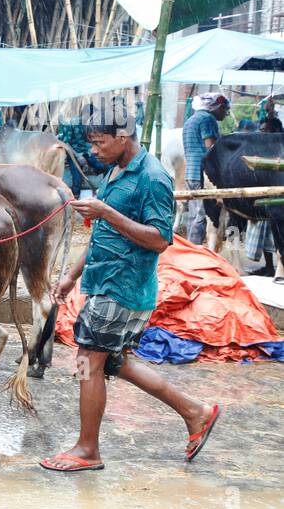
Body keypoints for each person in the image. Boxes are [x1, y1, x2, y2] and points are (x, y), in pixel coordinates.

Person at [40, 113, 219, 473]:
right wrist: (72, 276)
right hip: (104, 281)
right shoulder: (115, 171)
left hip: (124, 286)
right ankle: (196, 412)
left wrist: (106, 212)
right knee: (115, 362)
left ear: (123, 137)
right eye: (91, 143)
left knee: (89, 361)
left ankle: (87, 450)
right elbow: (102, 234)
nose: (93, 151)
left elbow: (159, 239)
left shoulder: (152, 177)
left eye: (99, 143)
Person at [181, 92, 228, 245]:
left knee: (193, 214)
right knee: (201, 216)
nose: (226, 113)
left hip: (190, 173)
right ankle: (195, 250)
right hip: (203, 174)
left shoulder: (191, 120)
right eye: (225, 109)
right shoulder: (208, 119)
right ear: (218, 107)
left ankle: (190, 247)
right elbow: (211, 147)